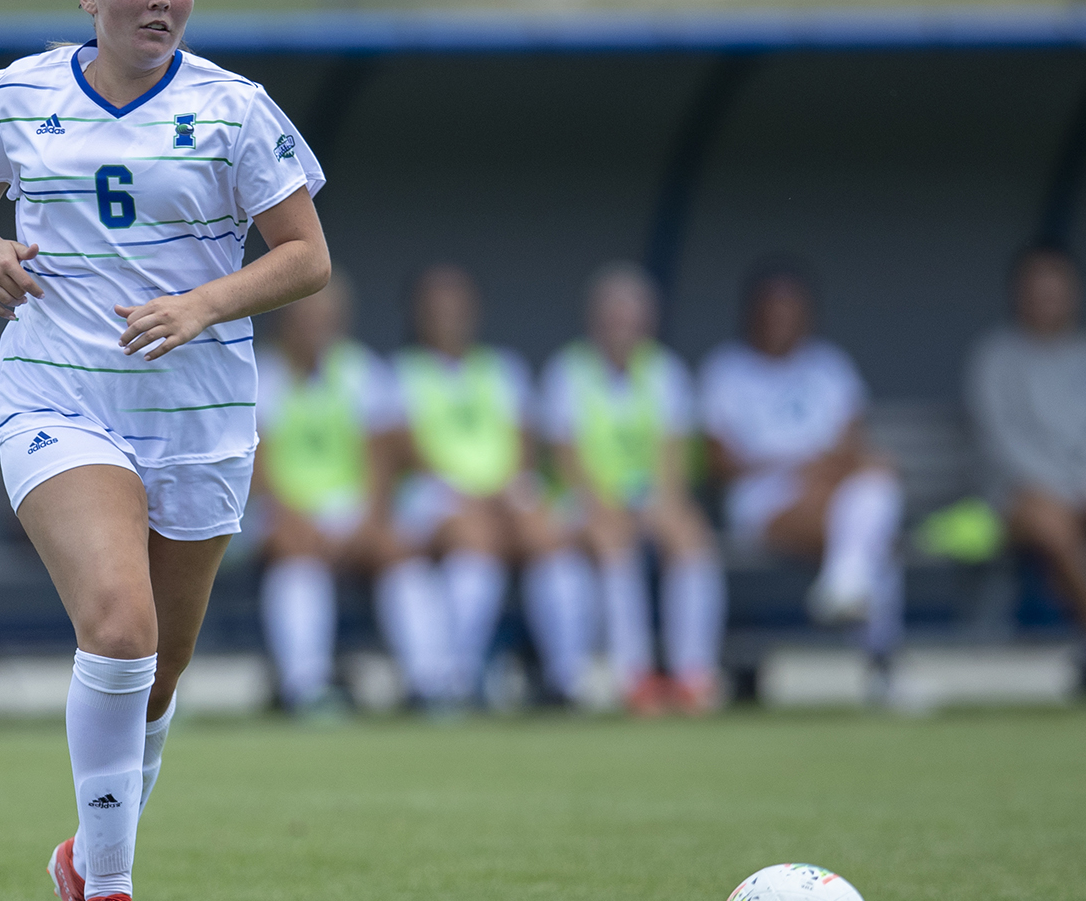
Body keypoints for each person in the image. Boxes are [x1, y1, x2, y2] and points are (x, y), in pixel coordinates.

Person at [0, 0, 328, 901]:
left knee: (156, 676)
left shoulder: (233, 110)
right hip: (59, 396)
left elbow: (303, 256)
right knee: (117, 624)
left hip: (196, 417)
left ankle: (83, 853)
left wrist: (203, 304)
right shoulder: (20, 92)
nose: (159, 1)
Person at [386, 263, 588, 709]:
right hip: (432, 491)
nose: (448, 315)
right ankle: (456, 680)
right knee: (472, 537)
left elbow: (523, 444)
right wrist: (472, 494)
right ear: (417, 313)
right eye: (436, 306)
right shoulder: (399, 373)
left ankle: (565, 680)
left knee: (547, 535)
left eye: (457, 305)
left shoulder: (503, 368)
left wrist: (502, 493)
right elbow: (404, 450)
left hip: (503, 488)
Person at [252, 272, 446, 718]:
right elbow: (257, 467)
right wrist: (291, 518)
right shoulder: (261, 374)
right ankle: (306, 686)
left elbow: (381, 461)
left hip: (351, 510)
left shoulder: (362, 372)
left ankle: (429, 682)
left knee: (397, 551)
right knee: (295, 554)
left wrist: (370, 522)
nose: (318, 328)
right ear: (285, 317)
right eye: (307, 316)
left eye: (328, 318)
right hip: (282, 511)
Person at [698, 257, 902, 670]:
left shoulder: (830, 367)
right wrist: (790, 467)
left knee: (877, 484)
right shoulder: (725, 370)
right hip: (763, 499)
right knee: (870, 537)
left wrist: (822, 471)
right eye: (772, 310)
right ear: (752, 314)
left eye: (791, 310)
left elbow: (851, 445)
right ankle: (883, 670)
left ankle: (844, 585)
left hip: (830, 491)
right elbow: (718, 463)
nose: (781, 320)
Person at [540, 262, 722, 714]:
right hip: (583, 501)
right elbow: (567, 464)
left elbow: (673, 461)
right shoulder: (566, 372)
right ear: (594, 322)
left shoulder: (666, 372)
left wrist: (662, 505)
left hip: (645, 498)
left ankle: (693, 673)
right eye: (612, 318)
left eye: (631, 319)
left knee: (690, 534)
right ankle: (633, 674)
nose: (621, 329)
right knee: (611, 537)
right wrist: (606, 505)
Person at [966, 245, 1086, 637]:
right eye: (1036, 293)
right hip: (1015, 496)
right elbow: (1002, 444)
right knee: (1052, 524)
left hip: (1078, 489)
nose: (1046, 302)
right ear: (1018, 295)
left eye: (1054, 292)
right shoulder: (995, 356)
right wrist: (1067, 490)